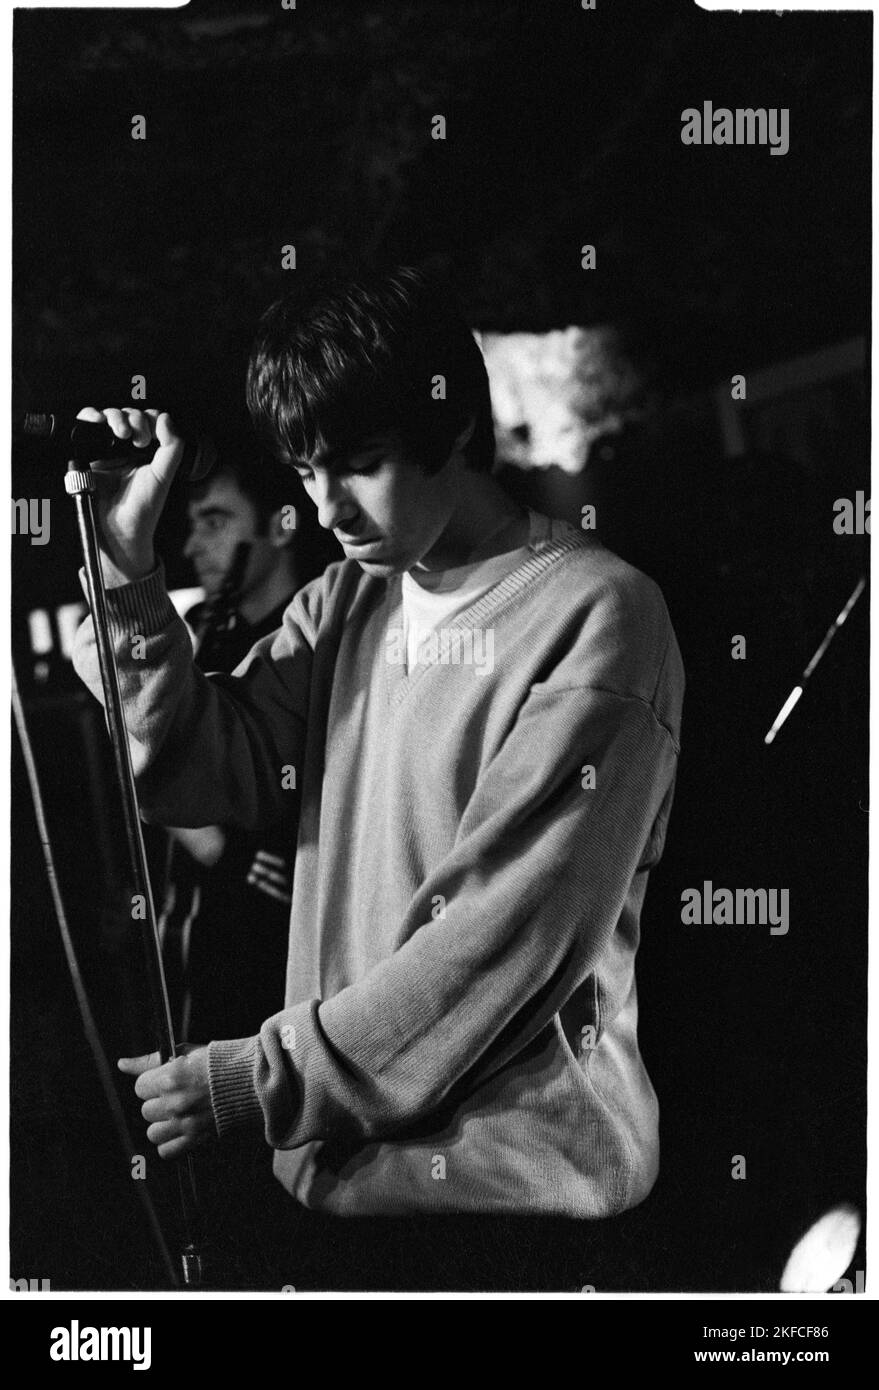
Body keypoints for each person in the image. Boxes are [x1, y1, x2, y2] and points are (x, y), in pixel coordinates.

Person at [72, 265, 684, 1291]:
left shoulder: (596, 617)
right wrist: (126, 571)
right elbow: (196, 770)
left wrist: (252, 1079)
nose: (328, 507)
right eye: (307, 471)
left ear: (453, 429)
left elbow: (503, 942)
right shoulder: (346, 604)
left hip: (513, 1218)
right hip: (346, 1195)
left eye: (361, 463)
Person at [156, 454, 308, 1044]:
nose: (193, 547)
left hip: (279, 947)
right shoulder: (204, 636)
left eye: (216, 521)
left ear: (281, 525)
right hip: (205, 929)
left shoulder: (314, 642)